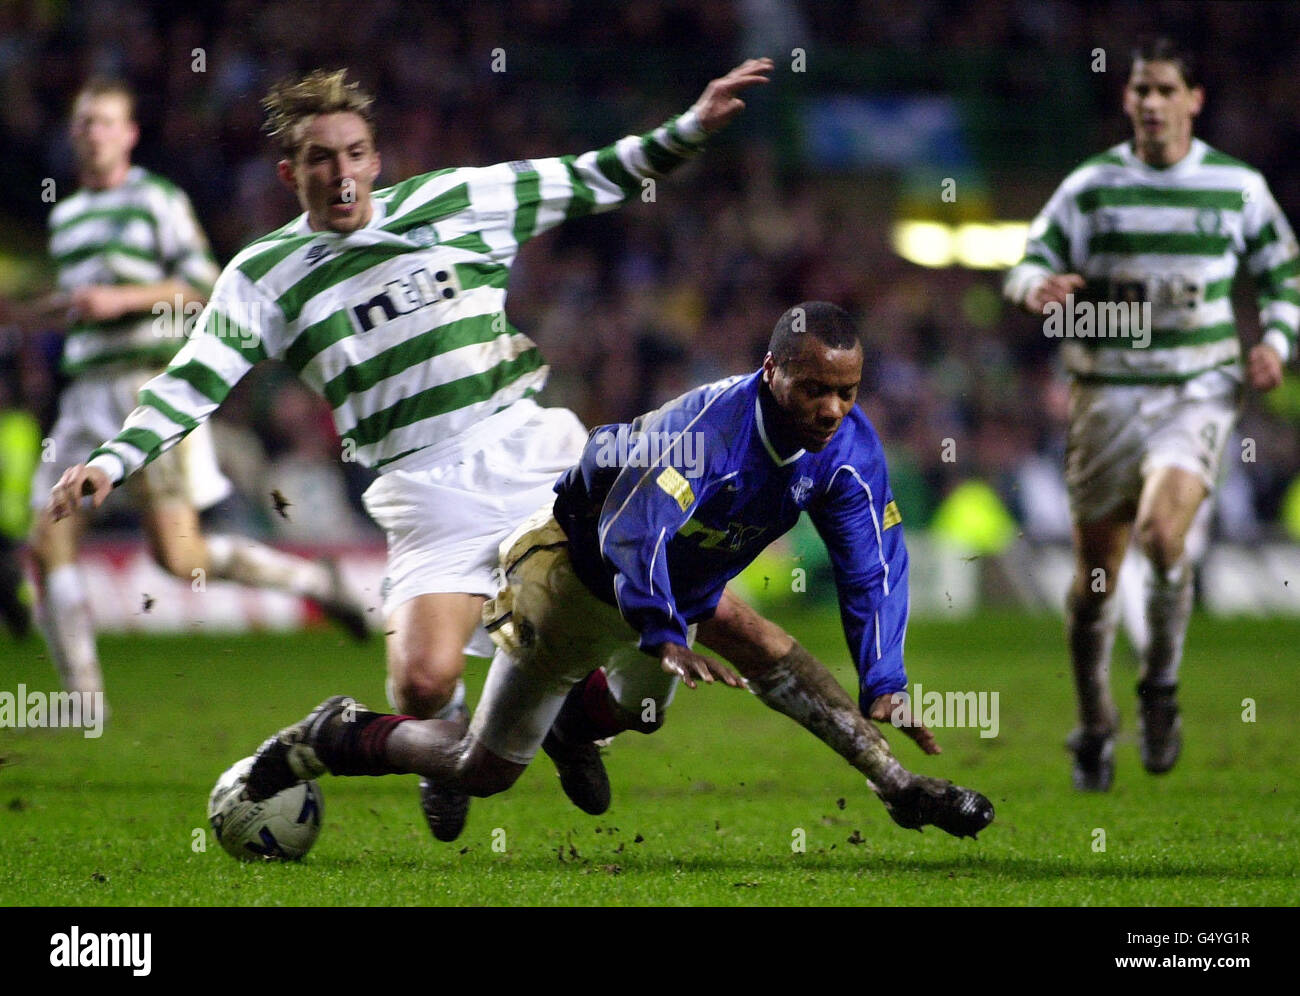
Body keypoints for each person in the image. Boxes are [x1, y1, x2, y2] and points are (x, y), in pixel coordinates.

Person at [47, 61, 778, 841]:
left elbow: (589, 177)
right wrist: (112, 459)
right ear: (290, 172)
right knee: (422, 684)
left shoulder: (455, 201)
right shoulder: (261, 276)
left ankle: (574, 725)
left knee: (654, 646)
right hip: (424, 485)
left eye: (354, 153)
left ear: (374, 158)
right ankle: (449, 739)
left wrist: (690, 128)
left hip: (531, 448)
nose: (340, 173)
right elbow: (192, 381)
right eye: (320, 159)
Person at [240, 302, 995, 841]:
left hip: (674, 590)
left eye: (846, 392)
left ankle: (895, 789)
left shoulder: (848, 447)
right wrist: (664, 628)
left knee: (659, 702)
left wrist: (885, 676)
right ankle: (333, 736)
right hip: (580, 574)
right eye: (814, 390)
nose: (832, 409)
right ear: (772, 373)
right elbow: (635, 529)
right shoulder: (708, 434)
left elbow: (873, 566)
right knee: (485, 767)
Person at [6, 78, 367, 706]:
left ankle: (315, 579)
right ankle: (84, 701)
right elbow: (79, 306)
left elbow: (204, 284)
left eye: (104, 122)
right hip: (83, 396)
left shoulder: (156, 201)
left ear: (129, 134)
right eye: (83, 124)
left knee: (178, 557)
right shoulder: (65, 217)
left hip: (149, 390)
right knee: (49, 539)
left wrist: (123, 299)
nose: (91, 134)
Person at [1003, 38, 1299, 790]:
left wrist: (1277, 340)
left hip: (1197, 388)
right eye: (1140, 90)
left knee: (1165, 537)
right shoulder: (1093, 187)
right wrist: (1035, 288)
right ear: (1127, 98)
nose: (1150, 103)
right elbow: (1025, 261)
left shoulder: (1237, 186)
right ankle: (1093, 721)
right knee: (1096, 577)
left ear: (1193, 99)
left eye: (1166, 89)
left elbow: (1283, 270)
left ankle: (1159, 688)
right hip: (1105, 395)